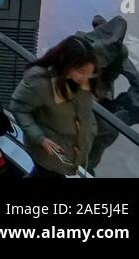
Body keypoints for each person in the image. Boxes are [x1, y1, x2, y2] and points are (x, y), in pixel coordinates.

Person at [10, 34, 98, 176]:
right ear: (66, 65)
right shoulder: (40, 83)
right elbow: (18, 107)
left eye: (90, 73)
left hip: (68, 153)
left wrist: (91, 130)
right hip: (49, 154)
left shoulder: (82, 82)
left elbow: (85, 113)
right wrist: (40, 138)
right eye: (81, 72)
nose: (86, 78)